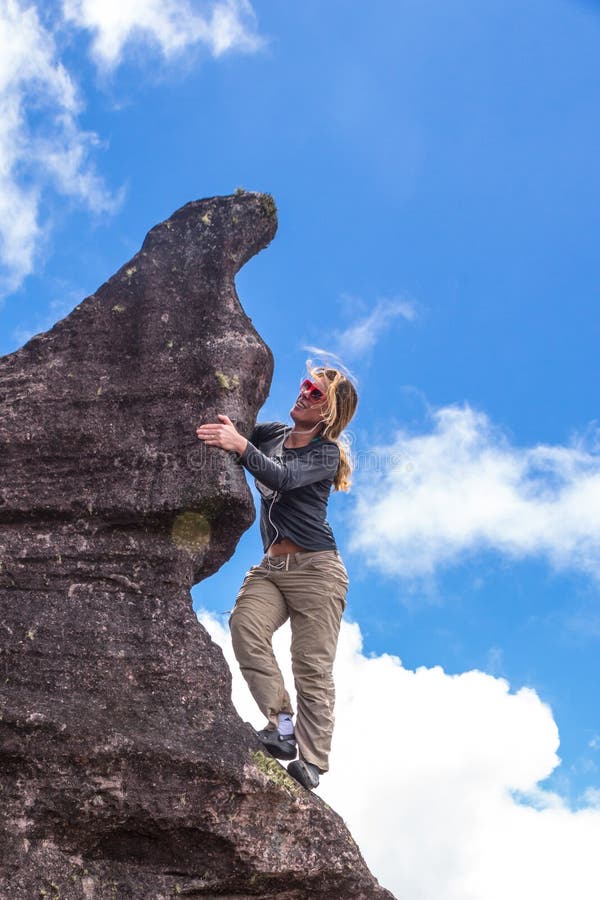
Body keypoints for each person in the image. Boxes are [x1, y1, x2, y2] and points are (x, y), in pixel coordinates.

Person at [195, 364, 358, 789]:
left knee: (311, 666)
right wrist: (230, 427)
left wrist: (240, 446)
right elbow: (241, 430)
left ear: (330, 412)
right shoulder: (270, 434)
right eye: (305, 385)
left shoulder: (326, 452)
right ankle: (282, 728)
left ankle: (314, 762)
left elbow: (282, 477)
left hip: (316, 571)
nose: (304, 393)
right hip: (272, 567)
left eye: (316, 393)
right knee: (244, 625)